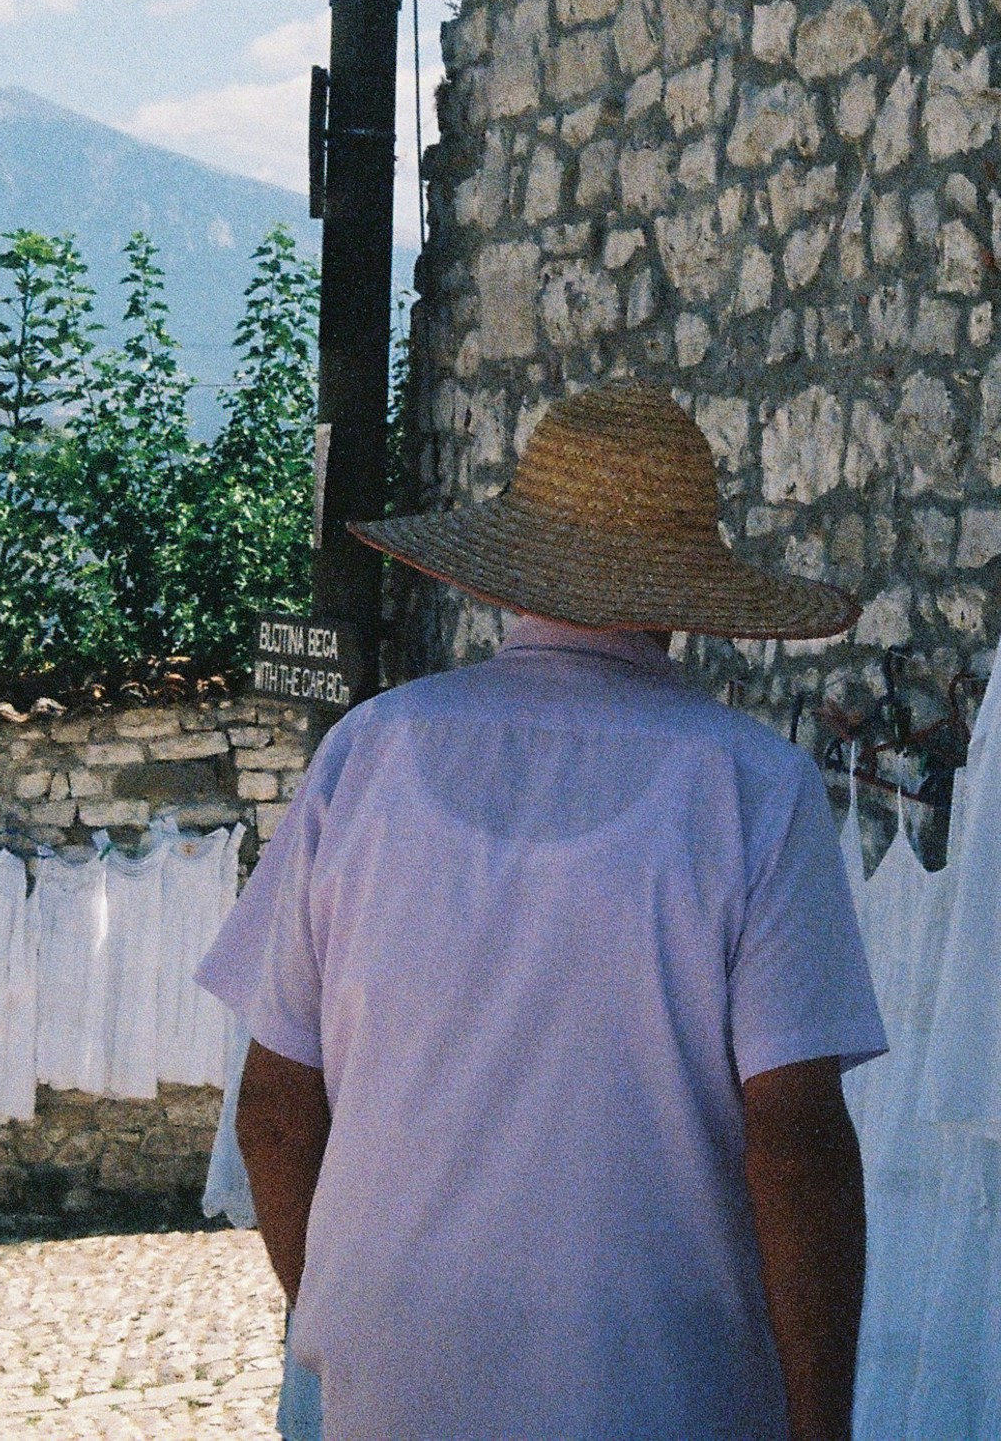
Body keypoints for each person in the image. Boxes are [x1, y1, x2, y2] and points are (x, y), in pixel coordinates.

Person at [198, 383, 885, 1441]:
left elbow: (276, 1111)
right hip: (655, 1388)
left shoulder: (367, 754)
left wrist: (333, 1327)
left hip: (383, 1384)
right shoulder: (751, 786)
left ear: (511, 570)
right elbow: (791, 1146)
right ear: (681, 592)